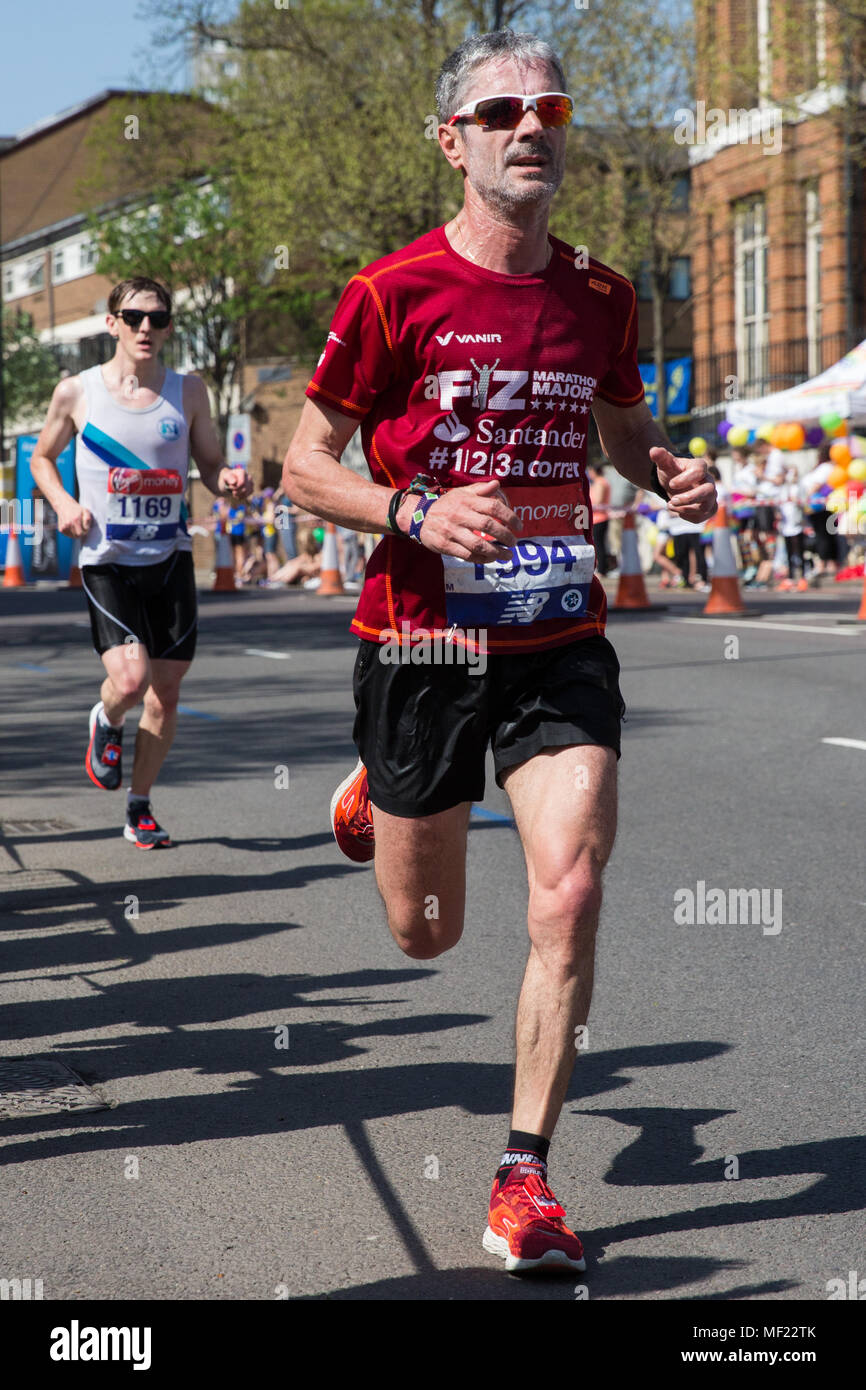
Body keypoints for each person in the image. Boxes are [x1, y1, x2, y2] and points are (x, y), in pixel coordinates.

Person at [282, 28, 716, 1275]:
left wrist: (663, 471)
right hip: (421, 645)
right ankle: (378, 778)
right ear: (451, 141)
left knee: (568, 891)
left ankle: (522, 1178)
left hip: (555, 634)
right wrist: (414, 510)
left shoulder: (600, 293)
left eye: (548, 107)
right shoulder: (390, 293)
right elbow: (302, 466)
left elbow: (622, 431)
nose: (531, 127)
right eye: (499, 112)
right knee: (425, 931)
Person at [30, 276, 251, 847]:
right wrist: (64, 503)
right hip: (108, 558)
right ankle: (105, 719)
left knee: (167, 693)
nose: (146, 328)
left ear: (170, 325)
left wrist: (226, 480)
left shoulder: (190, 391)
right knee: (129, 681)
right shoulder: (78, 392)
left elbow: (208, 465)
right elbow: (43, 459)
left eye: (157, 318)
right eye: (133, 318)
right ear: (113, 324)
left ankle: (139, 806)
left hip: (170, 555)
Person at [586, 461, 611, 574]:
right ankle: (601, 568)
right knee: (598, 544)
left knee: (599, 544)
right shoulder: (597, 482)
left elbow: (598, 500)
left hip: (599, 518)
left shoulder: (600, 482)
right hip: (596, 517)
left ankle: (601, 570)